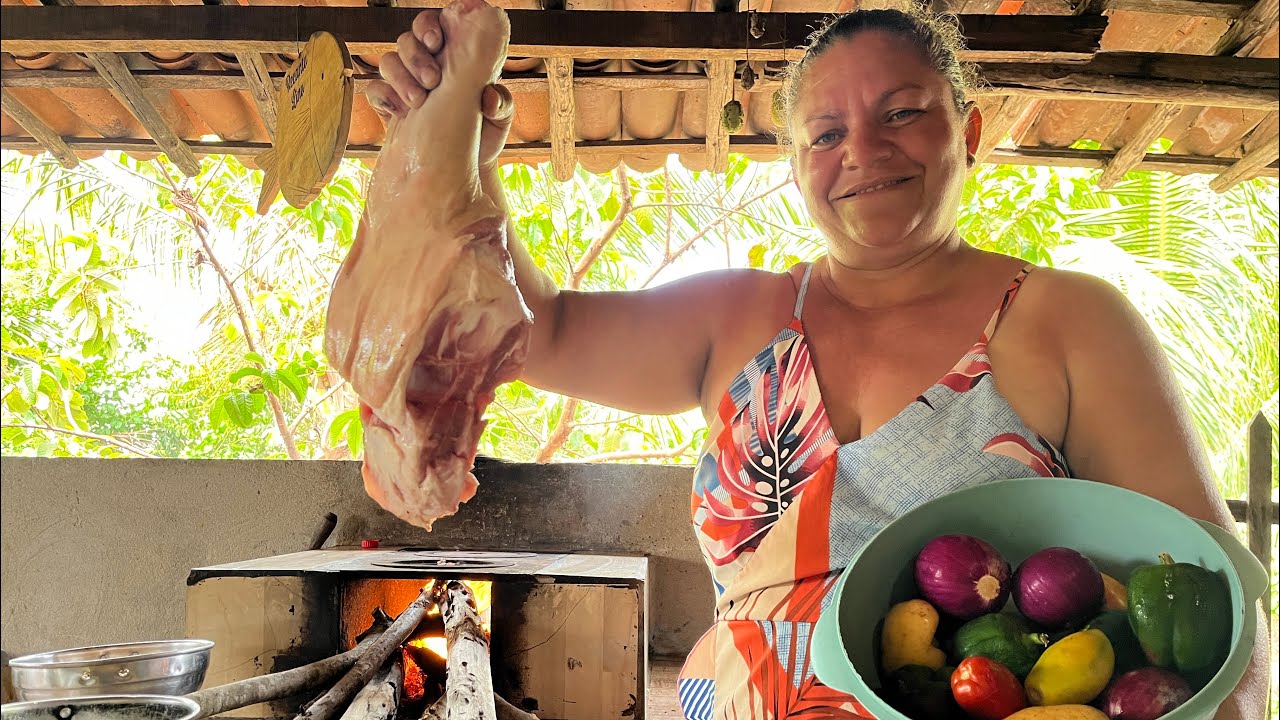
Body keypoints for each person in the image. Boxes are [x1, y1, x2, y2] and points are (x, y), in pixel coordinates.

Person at [366, 6, 1270, 718]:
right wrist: (464, 152)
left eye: (903, 113)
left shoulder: (1065, 321)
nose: (864, 153)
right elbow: (542, 330)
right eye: (825, 133)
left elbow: (1208, 605)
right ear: (795, 162)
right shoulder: (740, 315)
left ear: (973, 129)